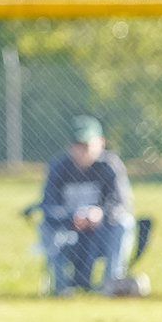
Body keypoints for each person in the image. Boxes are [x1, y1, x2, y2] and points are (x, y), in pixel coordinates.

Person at [37, 115, 137, 296]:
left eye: (87, 146)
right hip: (69, 233)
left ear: (101, 143)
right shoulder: (59, 167)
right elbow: (48, 207)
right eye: (78, 146)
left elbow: (121, 205)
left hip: (102, 233)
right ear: (70, 146)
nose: (82, 151)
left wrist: (100, 215)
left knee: (124, 223)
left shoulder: (110, 166)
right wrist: (71, 218)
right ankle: (62, 289)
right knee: (45, 226)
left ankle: (111, 285)